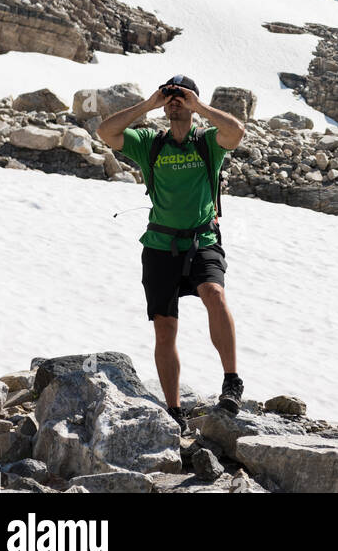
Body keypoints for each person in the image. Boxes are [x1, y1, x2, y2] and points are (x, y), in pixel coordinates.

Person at [97, 74, 246, 430]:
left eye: (181, 94)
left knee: (214, 293)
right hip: (160, 246)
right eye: (170, 95)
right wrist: (149, 104)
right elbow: (106, 132)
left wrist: (198, 105)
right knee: (164, 328)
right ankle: (174, 410)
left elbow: (236, 132)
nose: (174, 100)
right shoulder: (150, 142)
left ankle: (231, 381)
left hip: (203, 240)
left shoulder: (207, 141)